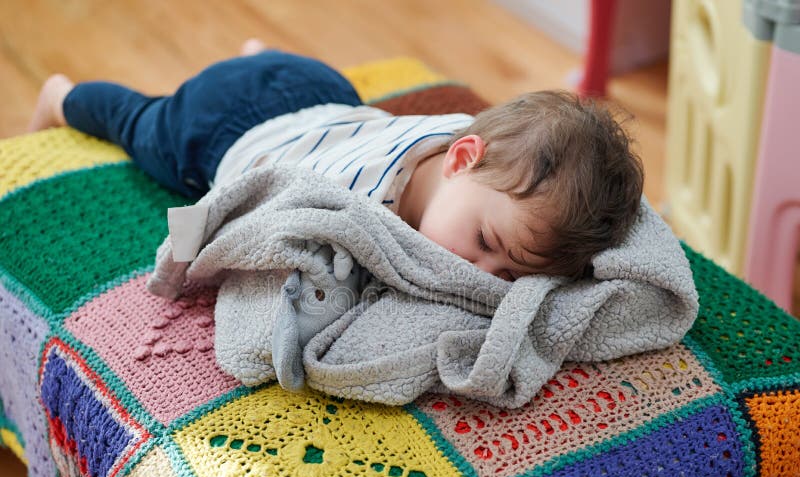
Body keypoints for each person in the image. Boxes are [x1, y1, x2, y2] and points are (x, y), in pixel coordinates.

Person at [28, 39, 643, 281]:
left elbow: (567, 171)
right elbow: (249, 228)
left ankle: (261, 55)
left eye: (507, 275)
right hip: (225, 126)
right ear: (462, 157)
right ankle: (62, 96)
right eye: (485, 240)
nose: (479, 270)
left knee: (324, 96)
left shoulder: (483, 149)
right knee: (142, 125)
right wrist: (187, 264)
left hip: (320, 91)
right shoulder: (353, 203)